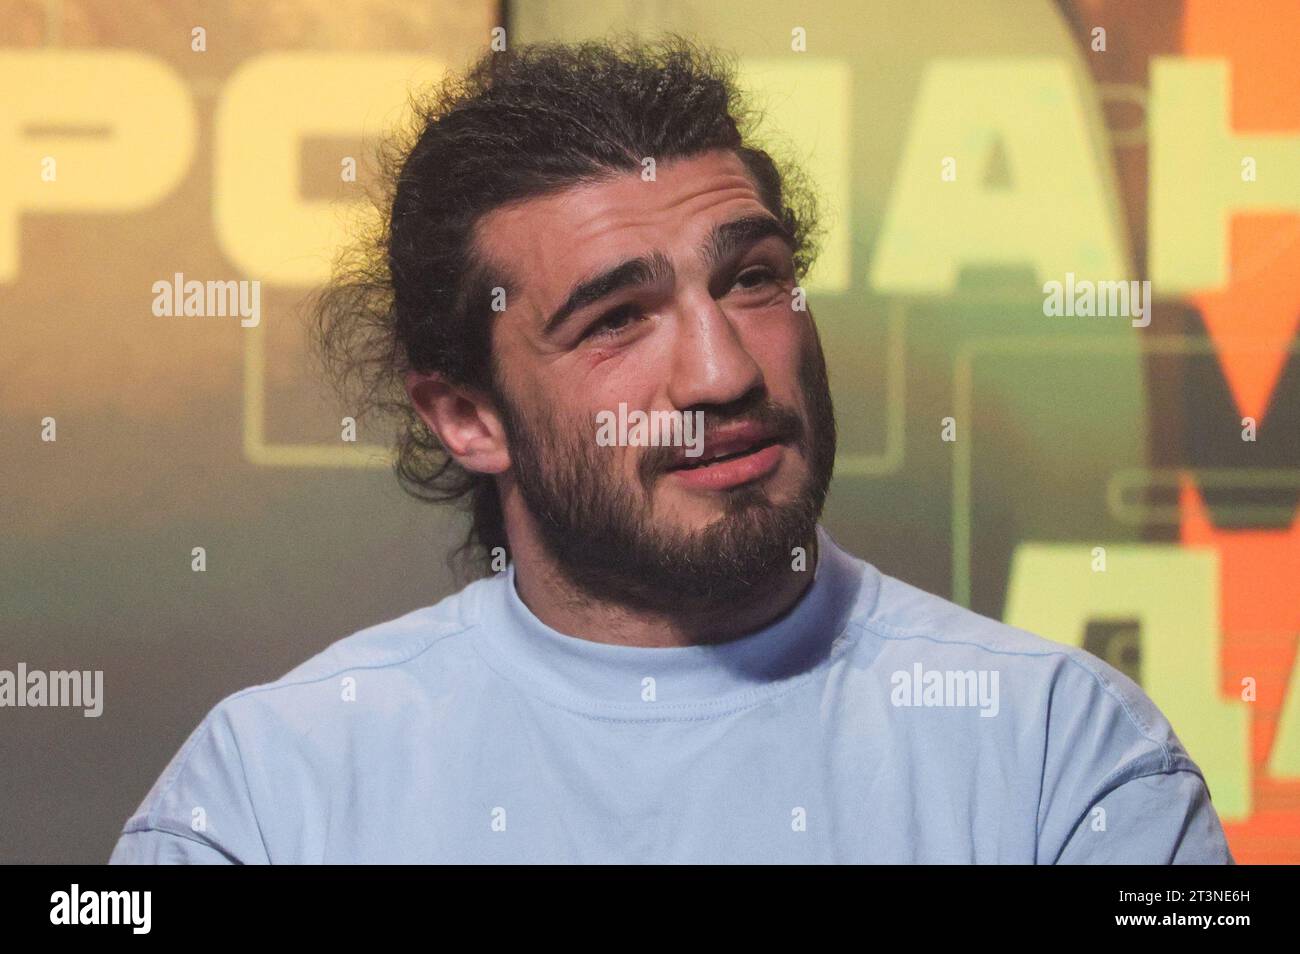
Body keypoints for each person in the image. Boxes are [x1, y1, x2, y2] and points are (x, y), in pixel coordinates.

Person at [109, 37, 1233, 864]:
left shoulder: (1066, 755)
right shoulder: (266, 795)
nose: (723, 372)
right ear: (467, 416)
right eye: (614, 320)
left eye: (750, 279)